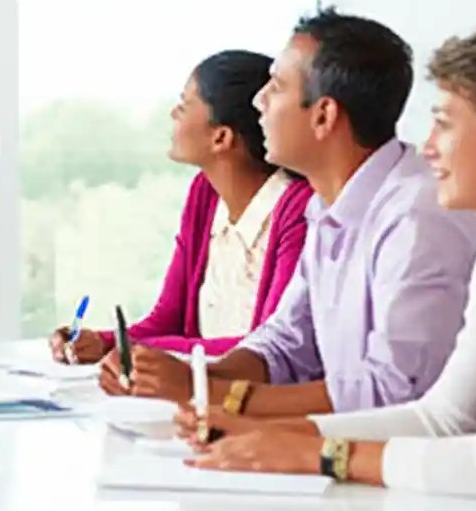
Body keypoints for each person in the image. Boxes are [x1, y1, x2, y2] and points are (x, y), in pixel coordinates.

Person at [177, 19, 476, 501]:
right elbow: (445, 416)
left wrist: (314, 451)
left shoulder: (418, 212)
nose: (427, 147)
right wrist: (278, 436)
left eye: (444, 124)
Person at [101, 10, 476, 418]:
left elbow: (394, 392)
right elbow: (286, 343)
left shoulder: (417, 217)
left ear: (324, 115)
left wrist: (210, 393)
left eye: (276, 87)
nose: (258, 101)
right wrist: (192, 377)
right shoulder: (326, 205)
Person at [49, 51, 314, 362]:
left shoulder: (299, 209)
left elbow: (269, 349)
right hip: (197, 388)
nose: (174, 113)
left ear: (221, 137)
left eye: (185, 105)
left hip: (246, 396)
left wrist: (131, 350)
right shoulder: (205, 194)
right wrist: (104, 342)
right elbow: (167, 319)